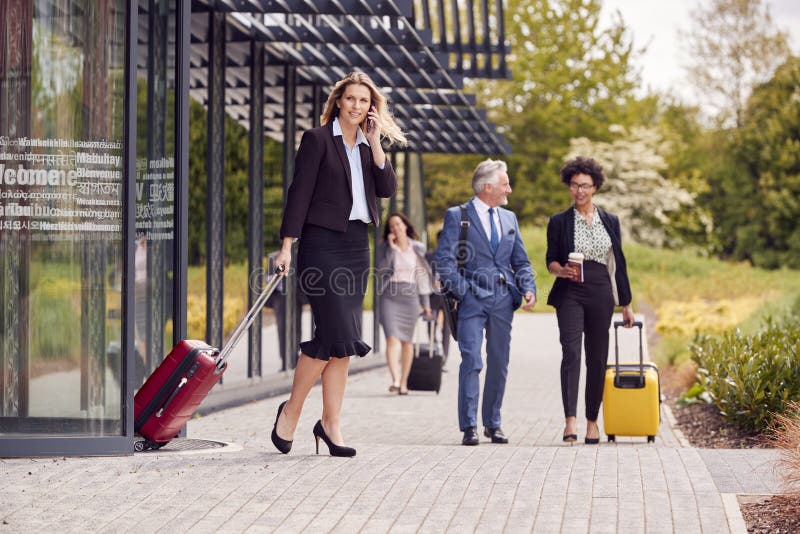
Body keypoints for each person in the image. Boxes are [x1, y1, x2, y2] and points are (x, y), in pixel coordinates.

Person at [271, 72, 406, 457]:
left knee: (341, 341)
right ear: (339, 101)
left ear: (371, 108)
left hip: (355, 247)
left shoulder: (368, 147)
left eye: (364, 101)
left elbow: (387, 189)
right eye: (351, 99)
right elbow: (299, 195)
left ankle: (329, 423)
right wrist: (286, 247)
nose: (357, 106)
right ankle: (293, 412)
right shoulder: (316, 140)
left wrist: (377, 143)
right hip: (321, 245)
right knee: (337, 330)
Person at [434, 159, 536, 446]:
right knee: (472, 360)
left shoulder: (510, 219)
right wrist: (464, 291)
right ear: (487, 187)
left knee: (499, 361)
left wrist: (528, 287)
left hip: (504, 299)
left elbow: (521, 261)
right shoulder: (458, 216)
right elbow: (443, 261)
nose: (510, 189)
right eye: (505, 184)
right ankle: (469, 426)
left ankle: (493, 423)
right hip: (471, 301)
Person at [546, 156, 635, 445]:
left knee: (597, 358)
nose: (579, 191)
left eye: (585, 186)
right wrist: (562, 271)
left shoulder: (610, 221)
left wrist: (626, 304)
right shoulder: (559, 222)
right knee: (571, 354)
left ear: (595, 187)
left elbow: (617, 264)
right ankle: (570, 420)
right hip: (570, 290)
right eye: (574, 186)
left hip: (600, 291)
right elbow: (551, 261)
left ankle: (592, 421)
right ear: (569, 187)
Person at [376, 212, 434, 395]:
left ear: (406, 226)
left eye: (398, 224)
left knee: (407, 342)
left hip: (410, 297)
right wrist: (392, 248)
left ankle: (403, 382)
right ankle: (394, 378)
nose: (396, 228)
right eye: (392, 226)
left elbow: (422, 277)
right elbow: (382, 270)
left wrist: (426, 305)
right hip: (389, 296)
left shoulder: (417, 248)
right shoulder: (385, 248)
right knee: (391, 339)